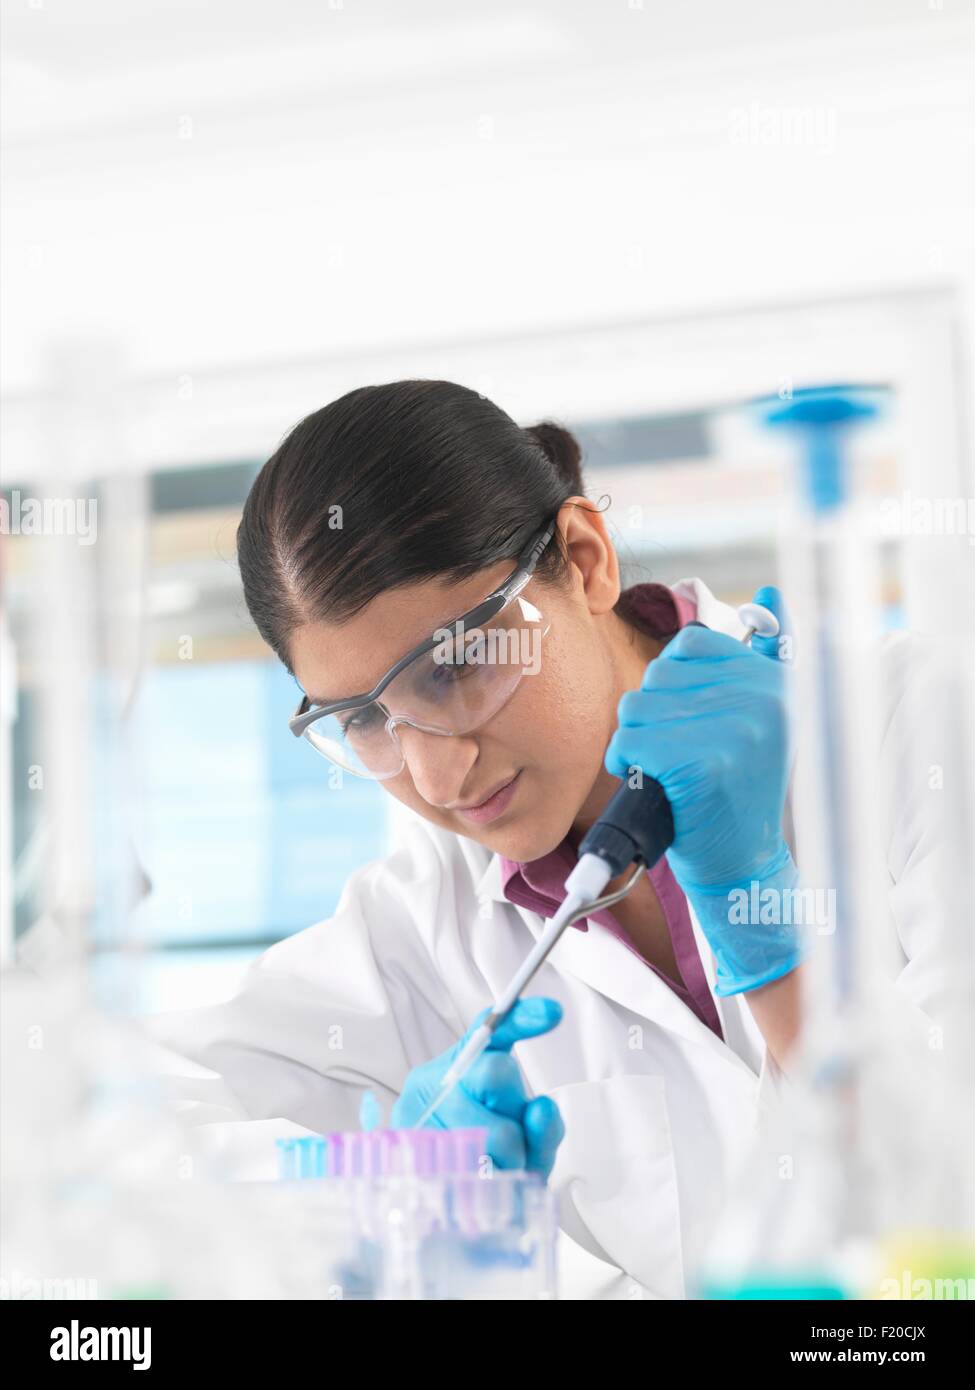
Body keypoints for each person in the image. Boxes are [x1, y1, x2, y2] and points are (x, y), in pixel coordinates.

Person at [152, 380, 947, 1295]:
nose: (438, 779)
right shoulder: (422, 920)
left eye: (455, 668)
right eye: (364, 719)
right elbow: (130, 1152)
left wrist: (776, 955)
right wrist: (381, 1198)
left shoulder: (913, 730)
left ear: (583, 555)